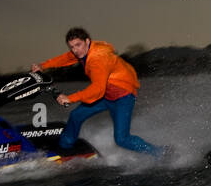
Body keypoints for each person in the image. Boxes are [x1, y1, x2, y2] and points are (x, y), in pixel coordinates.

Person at [31, 27, 164, 156]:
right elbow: (67, 58)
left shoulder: (97, 60)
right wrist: (43, 66)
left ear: (87, 41)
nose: (75, 50)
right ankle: (65, 148)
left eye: (78, 45)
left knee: (122, 139)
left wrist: (70, 98)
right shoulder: (84, 51)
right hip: (106, 95)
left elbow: (97, 89)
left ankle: (160, 153)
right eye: (72, 46)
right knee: (76, 115)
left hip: (123, 97)